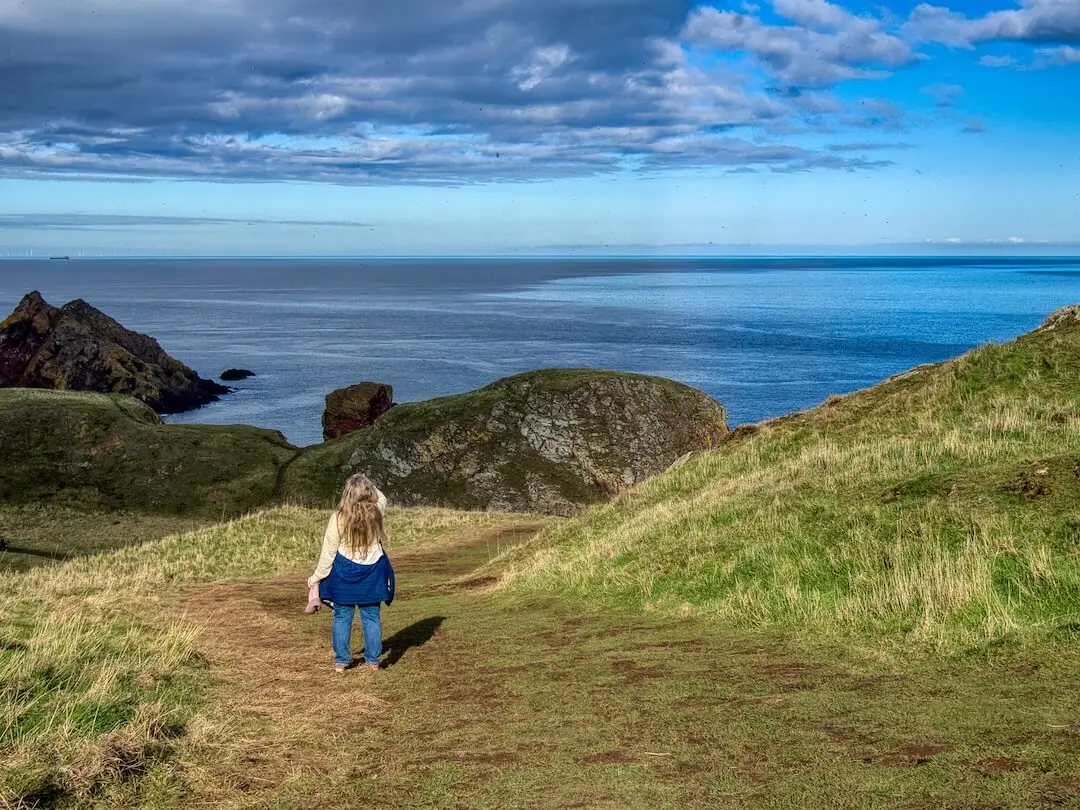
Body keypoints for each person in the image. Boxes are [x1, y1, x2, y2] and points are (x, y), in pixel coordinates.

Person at [306, 474, 395, 673]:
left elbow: (328, 552)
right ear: (369, 492)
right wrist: (367, 482)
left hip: (344, 574)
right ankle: (373, 661)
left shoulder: (338, 517)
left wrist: (316, 577)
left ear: (347, 494)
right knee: (371, 616)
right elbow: (382, 497)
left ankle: (341, 661)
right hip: (373, 572)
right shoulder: (376, 511)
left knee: (342, 617)